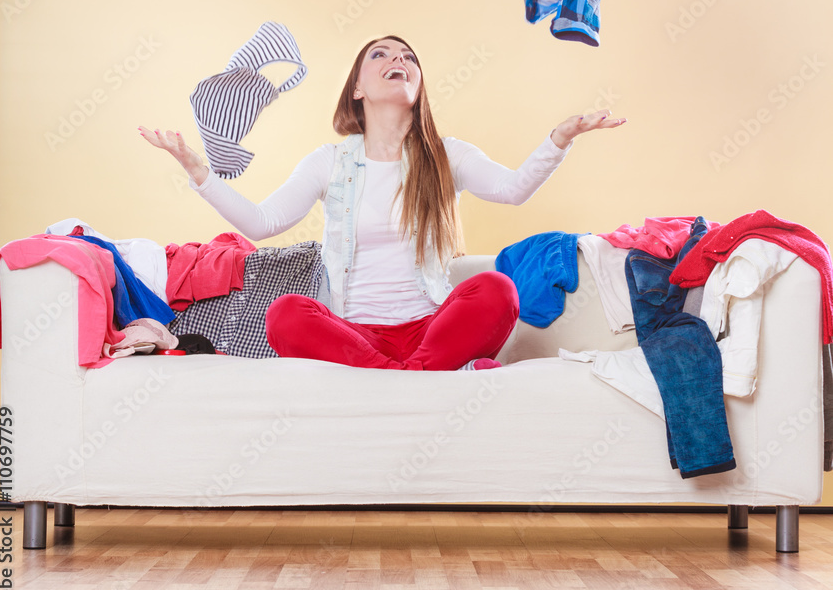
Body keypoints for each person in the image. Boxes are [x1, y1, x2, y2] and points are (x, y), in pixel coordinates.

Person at [139, 35, 626, 371]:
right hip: (356, 334)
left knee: (498, 290)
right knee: (285, 313)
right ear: (357, 88)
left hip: (429, 329)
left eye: (408, 57)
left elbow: (513, 189)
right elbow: (263, 223)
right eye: (381, 55)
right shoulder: (328, 161)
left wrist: (560, 139)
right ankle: (417, 378)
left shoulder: (446, 155)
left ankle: (394, 376)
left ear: (418, 85)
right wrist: (199, 173)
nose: (400, 59)